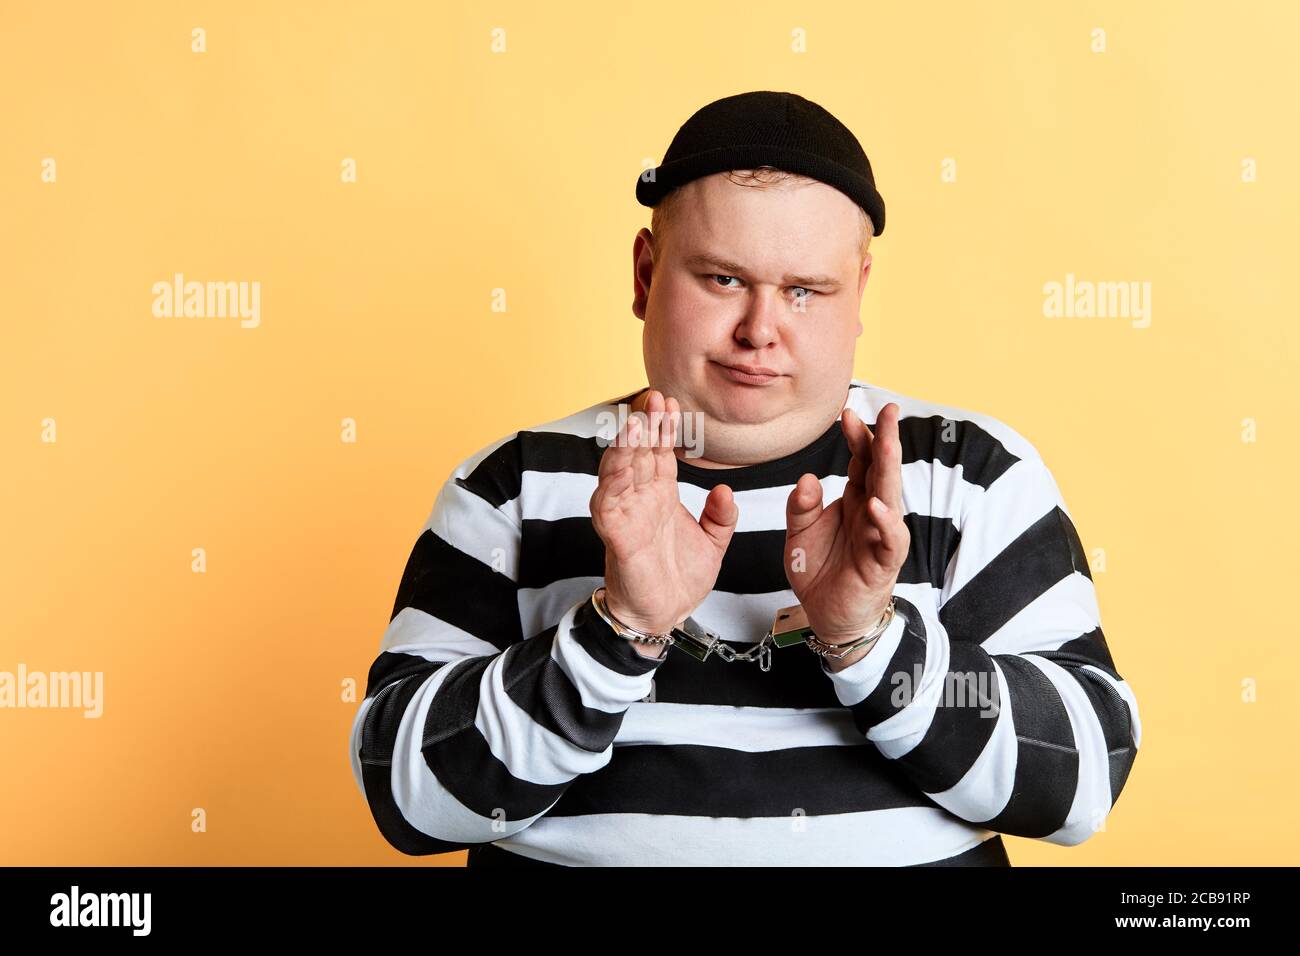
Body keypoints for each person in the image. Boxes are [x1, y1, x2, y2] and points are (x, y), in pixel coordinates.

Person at [348, 90, 1142, 866]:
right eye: (723, 279)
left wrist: (869, 639)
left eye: (804, 290)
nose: (760, 330)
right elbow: (404, 795)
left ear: (858, 293)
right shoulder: (513, 484)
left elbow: (1084, 778)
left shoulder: (963, 473)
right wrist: (617, 628)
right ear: (644, 273)